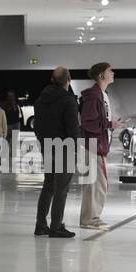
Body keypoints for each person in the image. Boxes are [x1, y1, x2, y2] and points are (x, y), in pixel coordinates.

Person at [33, 67, 82, 238]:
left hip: (47, 147)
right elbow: (73, 129)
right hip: (65, 148)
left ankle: (40, 225)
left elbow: (36, 126)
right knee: (61, 189)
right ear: (68, 79)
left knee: (48, 187)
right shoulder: (68, 101)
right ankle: (56, 227)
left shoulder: (40, 100)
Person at [78, 61, 115, 229]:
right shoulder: (94, 96)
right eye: (110, 71)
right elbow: (88, 123)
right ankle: (90, 219)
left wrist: (109, 124)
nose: (113, 73)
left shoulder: (101, 94)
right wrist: (109, 125)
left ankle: (91, 218)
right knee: (94, 184)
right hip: (93, 145)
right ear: (102, 75)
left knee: (97, 183)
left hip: (96, 145)